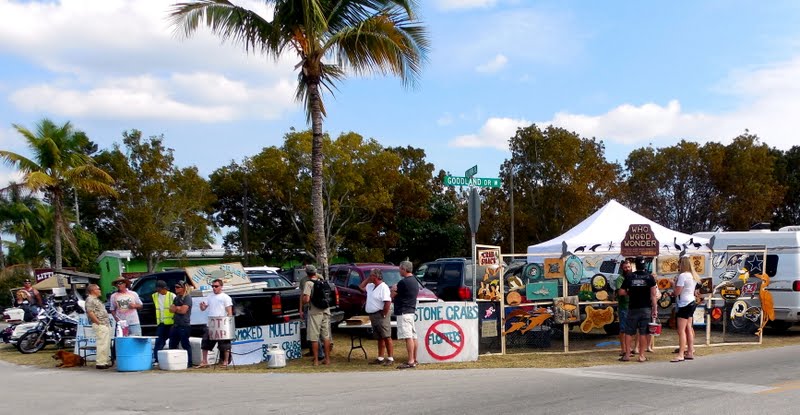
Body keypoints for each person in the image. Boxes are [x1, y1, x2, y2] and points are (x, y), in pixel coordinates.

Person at [619, 256, 657, 363]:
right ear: (644, 265)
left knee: (628, 332)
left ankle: (627, 355)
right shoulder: (650, 277)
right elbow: (653, 295)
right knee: (643, 332)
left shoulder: (630, 277)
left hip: (632, 308)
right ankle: (641, 356)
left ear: (635, 265)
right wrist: (655, 309)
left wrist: (630, 293)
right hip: (646, 308)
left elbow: (621, 292)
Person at [359, 268, 393, 366]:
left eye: (371, 275)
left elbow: (387, 301)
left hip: (380, 314)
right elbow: (361, 287)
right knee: (379, 337)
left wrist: (384, 313)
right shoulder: (370, 286)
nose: (369, 277)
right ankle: (380, 357)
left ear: (376, 276)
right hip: (373, 315)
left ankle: (390, 357)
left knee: (386, 336)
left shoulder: (383, 287)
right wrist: (367, 280)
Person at [299, 265, 331, 366]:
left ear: (307, 273)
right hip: (325, 310)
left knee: (314, 336)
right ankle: (327, 359)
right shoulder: (322, 280)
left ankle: (316, 360)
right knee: (325, 336)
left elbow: (306, 299)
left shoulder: (308, 283)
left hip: (315, 312)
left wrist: (303, 302)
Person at [198, 278, 233, 368]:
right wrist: (202, 307)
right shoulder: (209, 296)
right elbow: (203, 308)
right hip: (211, 323)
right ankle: (204, 361)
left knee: (224, 344)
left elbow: (229, 312)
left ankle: (225, 361)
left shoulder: (226, 297)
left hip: (222, 324)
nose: (214, 288)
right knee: (205, 342)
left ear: (221, 287)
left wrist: (228, 324)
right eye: (213, 286)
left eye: (216, 286)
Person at [671, 256, 700, 362]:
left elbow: (677, 292)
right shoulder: (693, 275)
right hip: (691, 301)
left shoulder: (683, 276)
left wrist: (673, 285)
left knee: (681, 330)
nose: (678, 266)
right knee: (688, 327)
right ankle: (690, 351)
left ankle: (681, 354)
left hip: (684, 303)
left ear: (682, 264)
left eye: (679, 264)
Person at [392, 260, 419, 369]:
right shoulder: (414, 281)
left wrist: (393, 289)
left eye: (400, 269)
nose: (399, 271)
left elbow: (393, 295)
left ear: (404, 269)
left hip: (404, 311)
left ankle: (411, 360)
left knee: (408, 337)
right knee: (413, 336)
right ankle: (415, 358)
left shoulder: (403, 282)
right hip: (411, 311)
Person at [85, 284, 112, 369]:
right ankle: (100, 362)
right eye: (98, 289)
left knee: (106, 343)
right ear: (93, 290)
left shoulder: (96, 299)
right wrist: (98, 322)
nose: (100, 291)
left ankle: (105, 361)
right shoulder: (90, 299)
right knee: (102, 343)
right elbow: (90, 312)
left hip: (105, 323)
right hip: (100, 324)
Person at [169, 280, 193, 368]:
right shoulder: (176, 298)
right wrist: (177, 308)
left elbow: (183, 310)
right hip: (175, 324)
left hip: (184, 324)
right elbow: (171, 309)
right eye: (175, 287)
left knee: (185, 344)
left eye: (178, 287)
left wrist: (177, 308)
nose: (175, 289)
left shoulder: (187, 298)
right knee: (172, 344)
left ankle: (189, 362)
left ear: (183, 288)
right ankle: (174, 362)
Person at [152, 280, 175, 365]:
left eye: (160, 289)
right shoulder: (155, 296)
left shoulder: (171, 296)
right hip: (161, 323)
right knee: (159, 341)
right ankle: (157, 359)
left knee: (172, 341)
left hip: (171, 322)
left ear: (164, 288)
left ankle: (172, 359)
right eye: (157, 289)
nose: (159, 291)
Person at [615, 260, 632, 360]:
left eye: (629, 267)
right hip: (624, 307)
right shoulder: (620, 279)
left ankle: (629, 349)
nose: (627, 269)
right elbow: (620, 292)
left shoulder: (632, 277)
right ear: (622, 268)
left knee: (630, 330)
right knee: (623, 329)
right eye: (625, 267)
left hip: (632, 306)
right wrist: (632, 291)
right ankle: (623, 349)